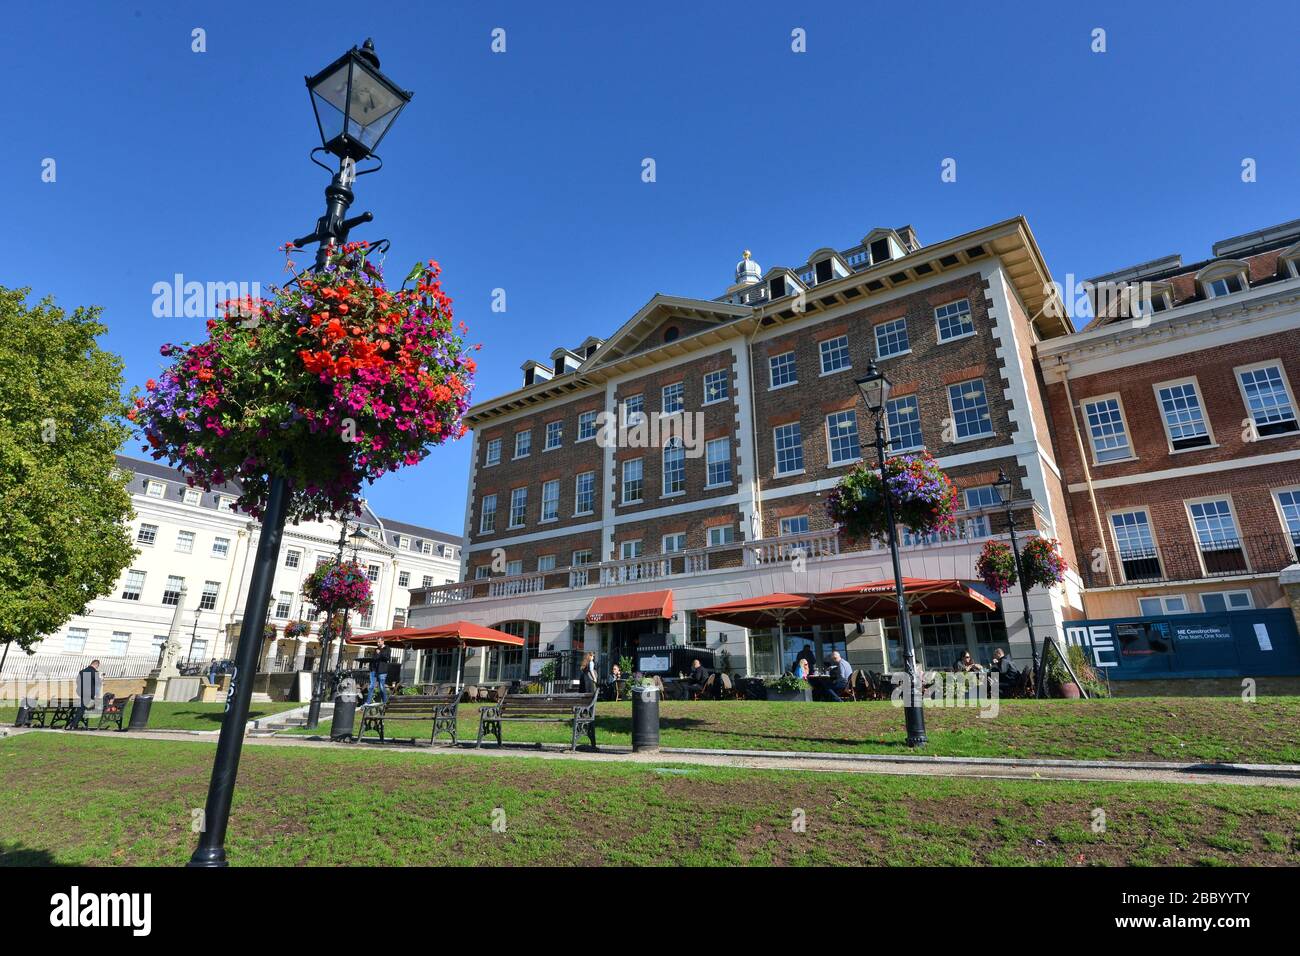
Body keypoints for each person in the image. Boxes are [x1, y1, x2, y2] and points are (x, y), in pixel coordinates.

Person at [69, 659, 102, 730]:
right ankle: (73, 724)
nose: (97, 668)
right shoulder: (94, 672)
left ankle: (73, 723)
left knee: (82, 708)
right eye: (97, 666)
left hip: (81, 693)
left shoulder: (82, 671)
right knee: (82, 709)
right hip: (89, 694)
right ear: (96, 664)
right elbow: (98, 683)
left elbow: (77, 681)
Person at [365, 639, 391, 706]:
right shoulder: (376, 649)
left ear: (383, 641)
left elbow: (387, 658)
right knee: (371, 686)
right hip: (374, 670)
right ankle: (367, 702)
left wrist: (380, 653)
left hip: (382, 671)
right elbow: (374, 658)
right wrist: (371, 668)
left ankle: (385, 702)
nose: (378, 643)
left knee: (381, 687)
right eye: (377, 642)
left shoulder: (387, 648)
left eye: (379, 642)